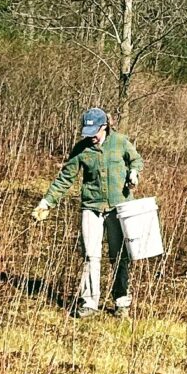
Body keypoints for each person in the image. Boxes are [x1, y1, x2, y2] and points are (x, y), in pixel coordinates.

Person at [31, 107, 144, 318]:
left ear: (105, 127)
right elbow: (65, 178)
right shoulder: (81, 149)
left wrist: (134, 172)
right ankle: (89, 302)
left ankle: (121, 300)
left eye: (95, 132)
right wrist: (46, 202)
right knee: (90, 255)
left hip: (118, 208)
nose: (91, 137)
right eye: (87, 133)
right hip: (91, 207)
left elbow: (136, 160)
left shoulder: (120, 142)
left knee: (119, 255)